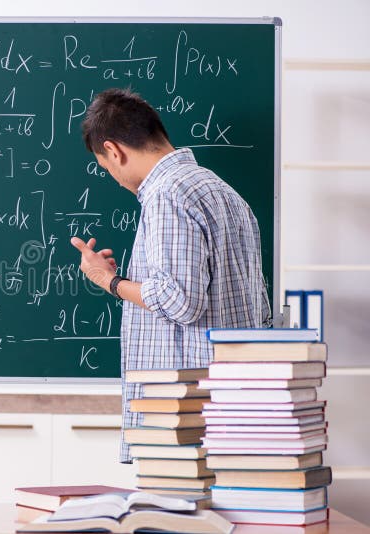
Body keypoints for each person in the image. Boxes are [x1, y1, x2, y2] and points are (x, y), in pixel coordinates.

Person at [71, 88, 270, 463]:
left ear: (114, 151)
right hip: (230, 406)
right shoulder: (222, 191)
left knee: (177, 519)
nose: (111, 175)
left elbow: (178, 300)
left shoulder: (167, 194)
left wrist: (107, 280)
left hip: (185, 412)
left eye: (105, 166)